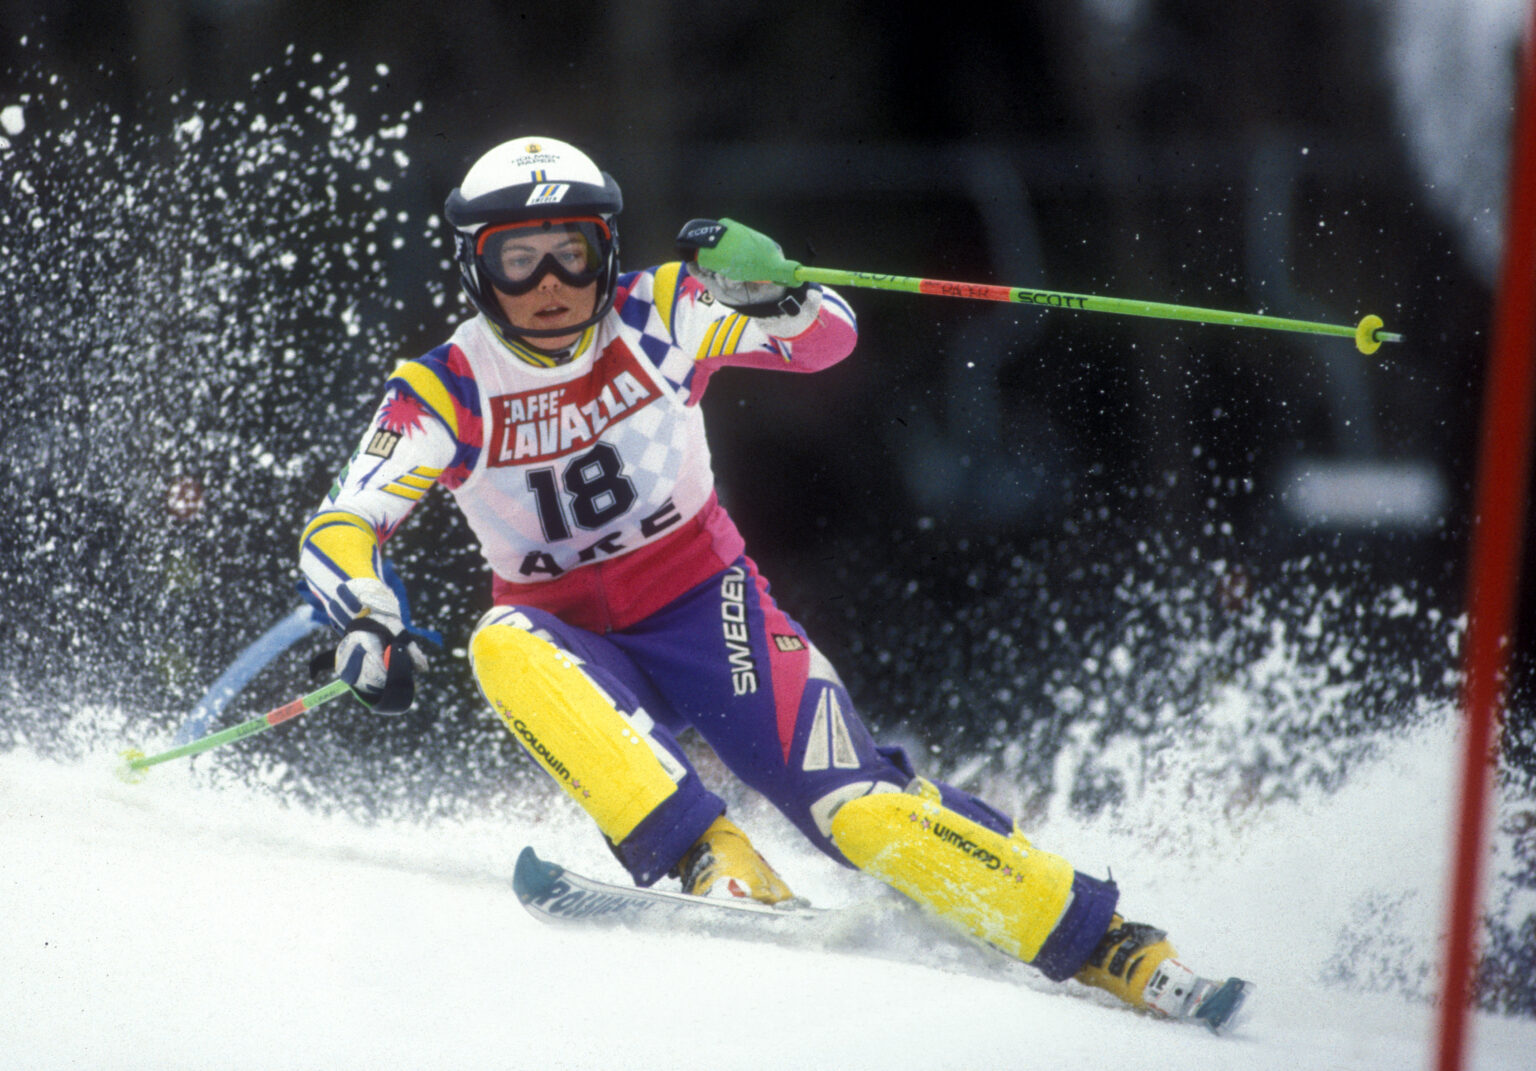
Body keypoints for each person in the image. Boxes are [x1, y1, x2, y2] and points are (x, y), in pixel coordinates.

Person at [298, 136, 1248, 1028]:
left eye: (573, 254)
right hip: (568, 635)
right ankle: (717, 859)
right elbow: (344, 521)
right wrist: (366, 616)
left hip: (706, 605)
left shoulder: (659, 308)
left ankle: (1110, 944)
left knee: (861, 809)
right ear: (477, 265)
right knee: (498, 644)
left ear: (605, 253)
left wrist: (772, 289)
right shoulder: (446, 385)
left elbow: (828, 340)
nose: (550, 284)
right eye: (519, 260)